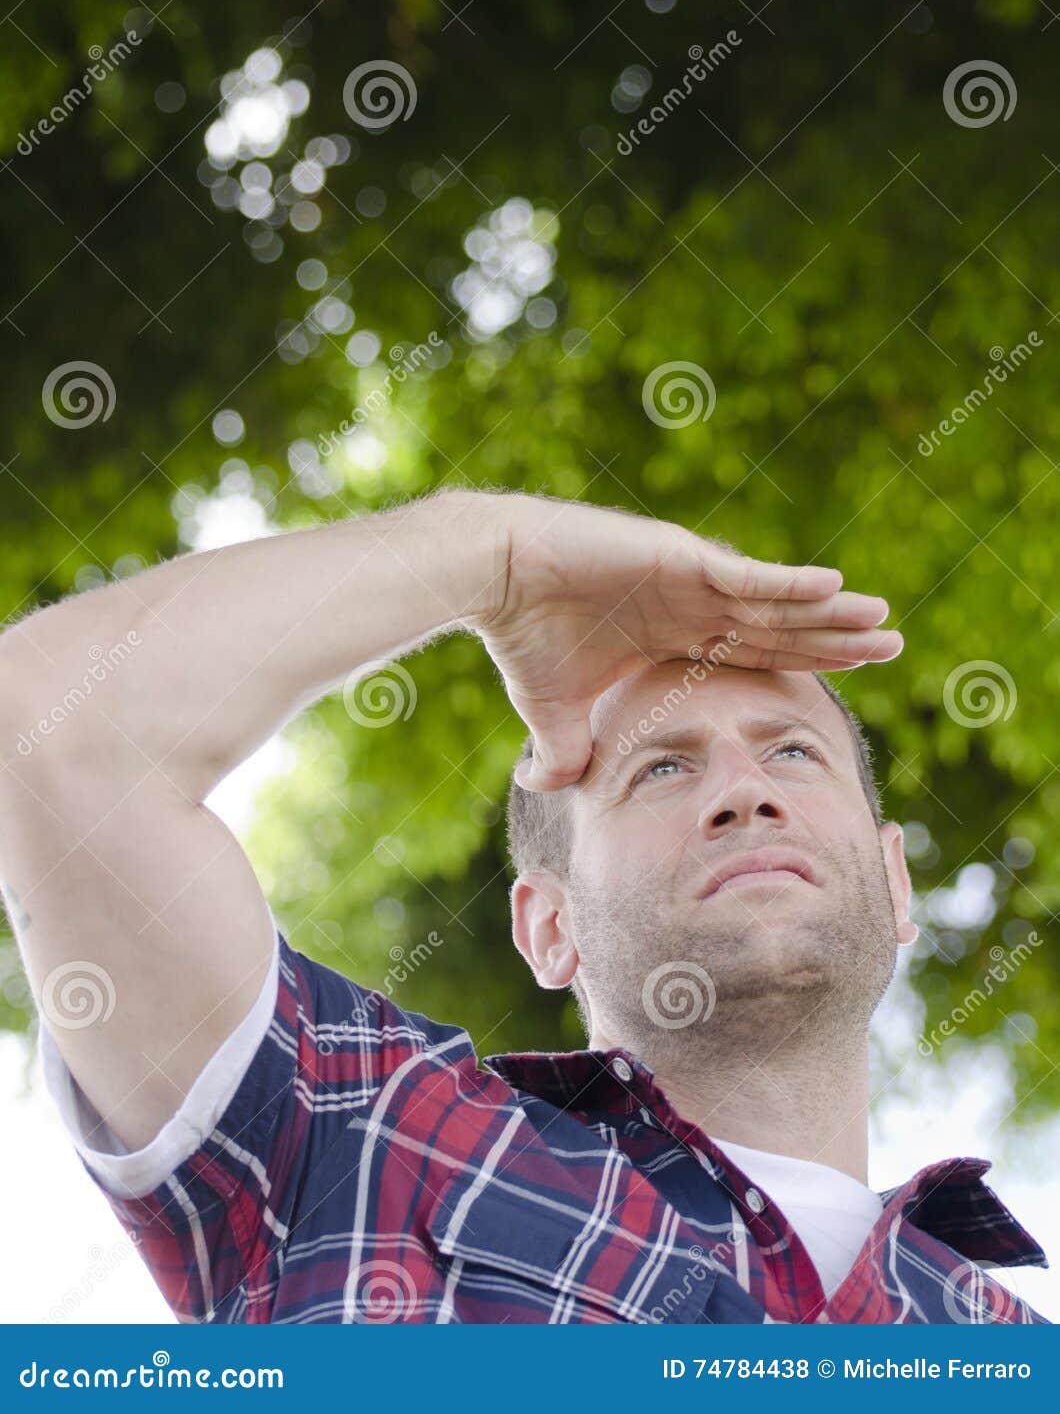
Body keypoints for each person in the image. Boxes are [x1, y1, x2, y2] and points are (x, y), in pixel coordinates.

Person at [0, 487, 1046, 1324]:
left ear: (896, 879)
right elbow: (51, 730)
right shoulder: (354, 1143)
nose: (744, 788)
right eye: (662, 770)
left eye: (790, 750)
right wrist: (488, 555)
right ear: (549, 924)